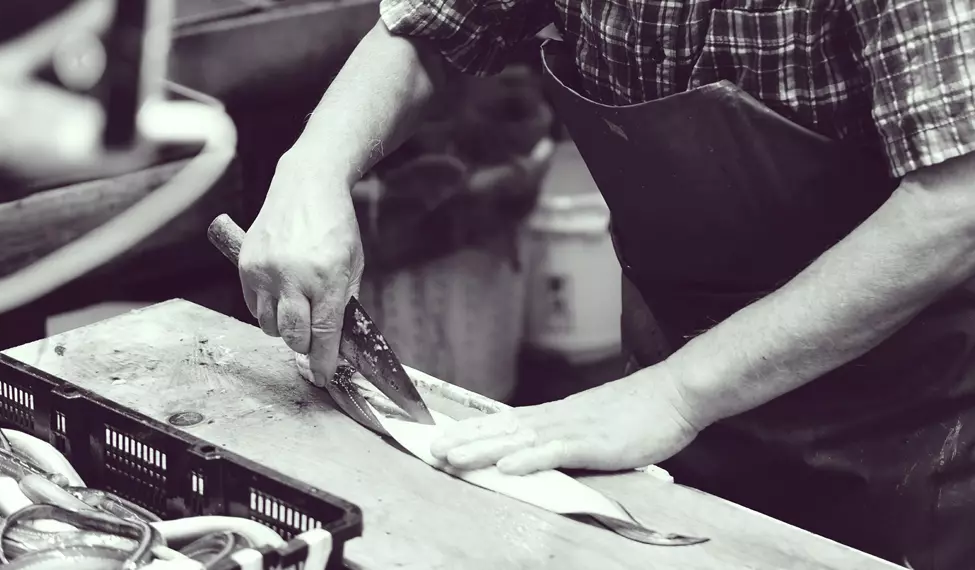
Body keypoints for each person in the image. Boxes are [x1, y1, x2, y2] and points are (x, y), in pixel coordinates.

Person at [237, 0, 975, 567]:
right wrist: (311, 169)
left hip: (910, 414)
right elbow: (433, 27)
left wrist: (680, 392)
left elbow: (956, 203)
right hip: (667, 374)